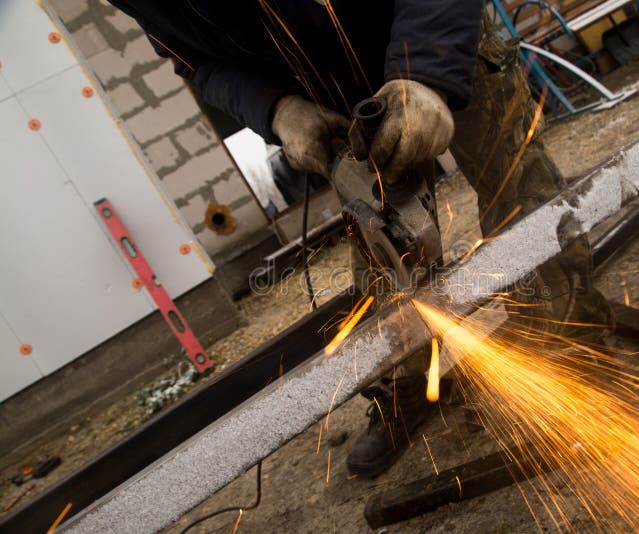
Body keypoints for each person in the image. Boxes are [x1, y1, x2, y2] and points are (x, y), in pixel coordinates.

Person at [110, 0, 612, 477]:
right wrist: (277, 109)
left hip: (436, 30)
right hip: (324, 89)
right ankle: (410, 381)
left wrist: (426, 71)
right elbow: (196, 59)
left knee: (518, 185)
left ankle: (570, 342)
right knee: (379, 244)